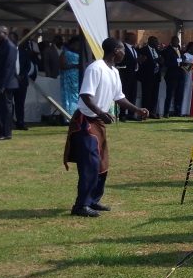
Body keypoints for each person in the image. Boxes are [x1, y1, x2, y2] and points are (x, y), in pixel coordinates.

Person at [63, 37, 148, 217]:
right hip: (86, 121)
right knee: (90, 163)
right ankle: (81, 205)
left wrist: (137, 110)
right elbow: (86, 95)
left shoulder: (114, 72)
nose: (124, 53)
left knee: (102, 163)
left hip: (99, 123)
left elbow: (119, 97)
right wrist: (101, 112)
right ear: (115, 50)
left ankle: (93, 200)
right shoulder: (95, 68)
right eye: (122, 50)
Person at [13, 32, 38, 130]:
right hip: (11, 81)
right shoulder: (8, 52)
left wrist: (22, 75)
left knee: (20, 103)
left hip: (22, 81)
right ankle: (9, 122)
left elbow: (28, 66)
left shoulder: (24, 52)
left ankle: (20, 122)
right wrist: (15, 75)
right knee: (9, 104)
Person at [137, 36, 163, 119]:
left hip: (156, 76)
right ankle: (144, 113)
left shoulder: (157, 51)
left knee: (154, 95)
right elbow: (141, 63)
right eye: (155, 41)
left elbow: (161, 61)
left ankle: (153, 112)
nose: (157, 43)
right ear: (150, 41)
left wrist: (160, 61)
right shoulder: (143, 50)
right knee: (146, 95)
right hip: (147, 77)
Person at [117, 32, 140, 121]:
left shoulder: (134, 49)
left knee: (133, 94)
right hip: (125, 76)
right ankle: (122, 114)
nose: (135, 39)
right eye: (133, 37)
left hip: (134, 75)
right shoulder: (123, 48)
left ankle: (131, 114)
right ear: (128, 38)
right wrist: (135, 61)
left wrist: (138, 61)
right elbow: (121, 62)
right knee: (125, 94)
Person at [59, 37, 84, 119]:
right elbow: (62, 65)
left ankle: (77, 115)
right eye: (76, 44)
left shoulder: (80, 53)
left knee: (77, 96)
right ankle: (69, 115)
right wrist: (75, 65)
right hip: (68, 77)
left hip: (77, 77)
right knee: (69, 96)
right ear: (72, 44)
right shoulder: (65, 53)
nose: (77, 46)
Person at [161, 36, 185, 118]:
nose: (177, 42)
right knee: (170, 94)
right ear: (172, 41)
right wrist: (176, 62)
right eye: (175, 41)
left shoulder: (179, 50)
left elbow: (182, 59)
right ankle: (166, 112)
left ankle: (177, 111)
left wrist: (182, 61)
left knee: (179, 94)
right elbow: (166, 63)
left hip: (180, 74)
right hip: (171, 74)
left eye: (178, 41)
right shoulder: (167, 50)